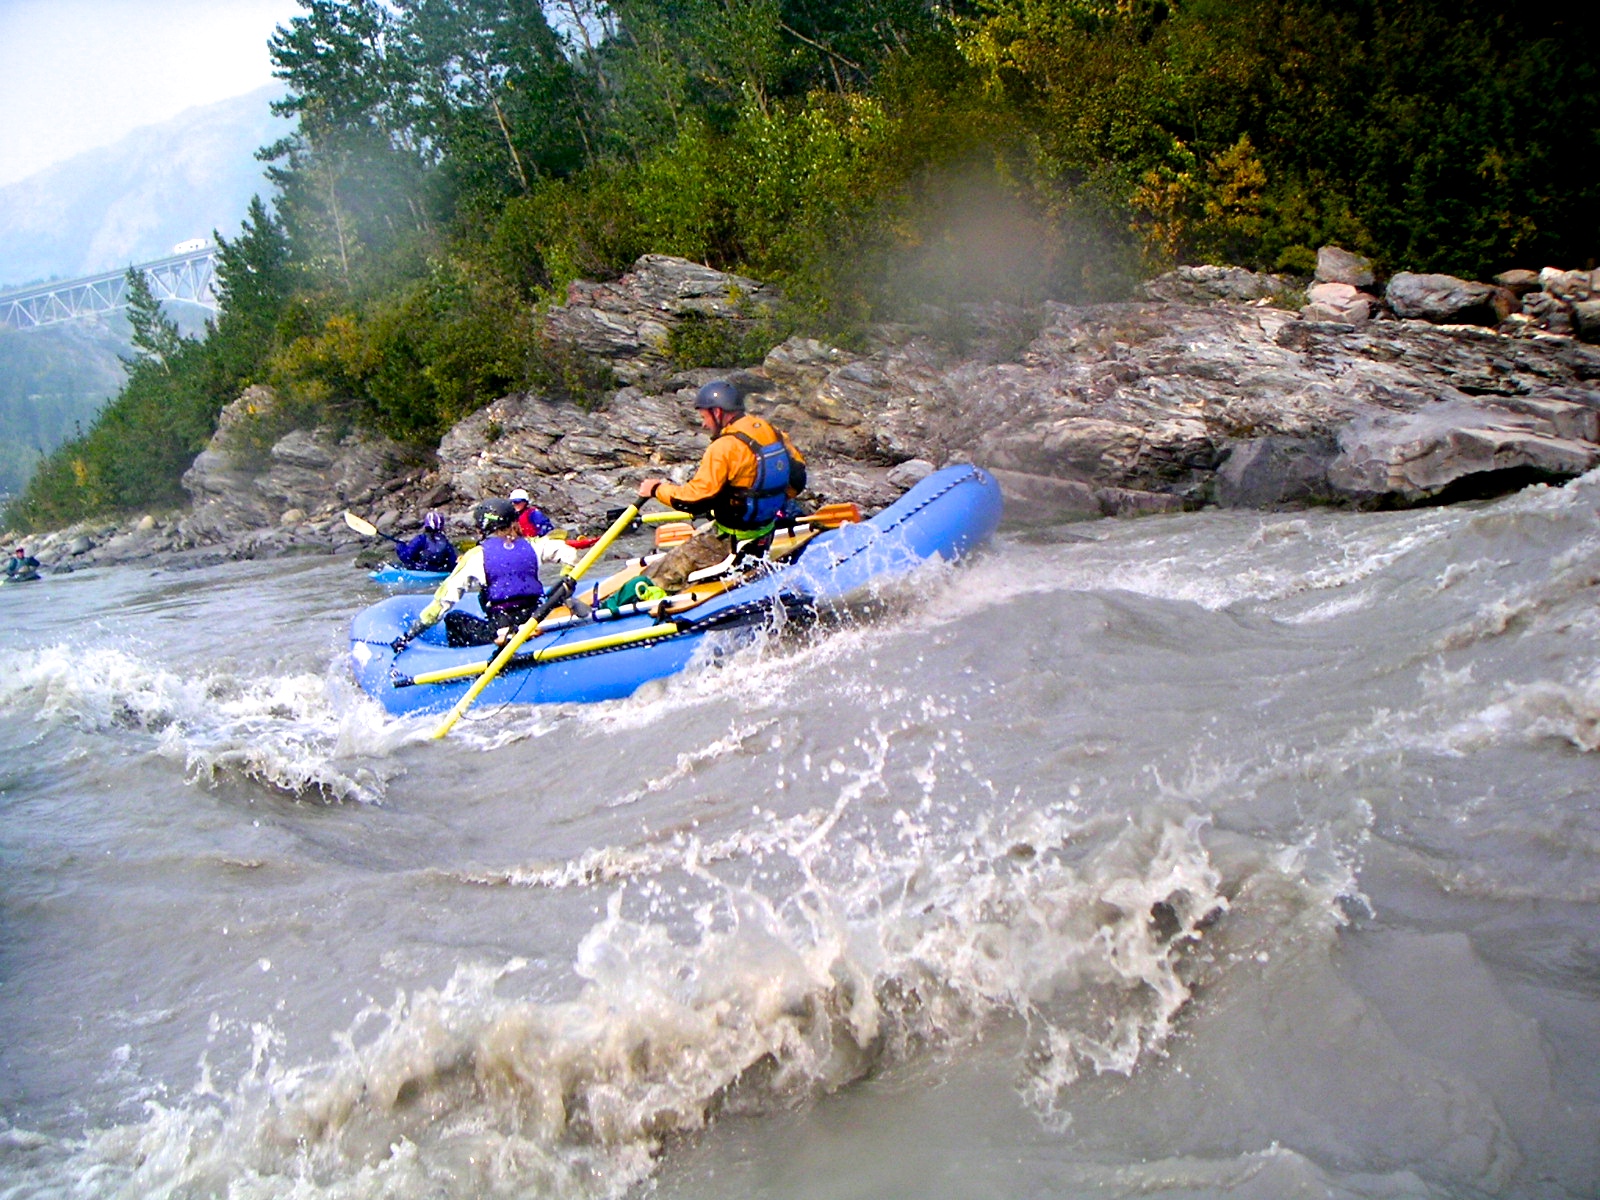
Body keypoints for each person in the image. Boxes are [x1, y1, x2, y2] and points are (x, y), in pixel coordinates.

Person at [635, 380, 807, 592]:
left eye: (704, 417)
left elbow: (694, 500)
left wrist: (655, 490)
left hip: (732, 543)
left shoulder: (724, 447)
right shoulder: (770, 430)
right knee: (702, 532)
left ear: (717, 412)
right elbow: (797, 478)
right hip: (764, 533)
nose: (704, 424)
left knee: (655, 577)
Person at [391, 499, 577, 650]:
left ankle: (465, 659)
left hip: (501, 629)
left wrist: (408, 636)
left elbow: (441, 604)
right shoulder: (534, 545)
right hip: (537, 617)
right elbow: (569, 553)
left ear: (482, 528)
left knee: (454, 619)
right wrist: (565, 580)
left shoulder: (476, 556)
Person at [393, 510, 458, 573]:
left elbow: (406, 557)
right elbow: (453, 563)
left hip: (420, 570)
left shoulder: (421, 539)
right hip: (439, 571)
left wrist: (400, 546)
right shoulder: (445, 542)